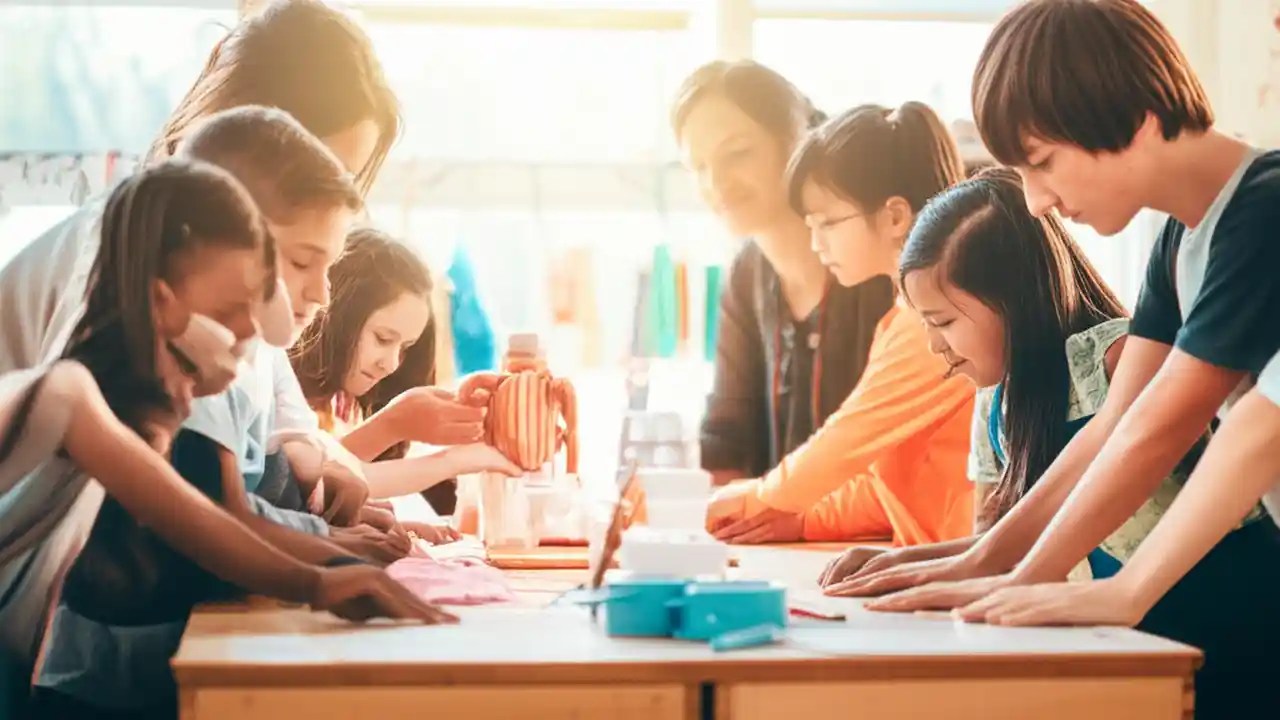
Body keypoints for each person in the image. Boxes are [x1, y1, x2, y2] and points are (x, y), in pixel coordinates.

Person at [841, 3, 1280, 717]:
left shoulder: (1263, 209)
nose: (1038, 203)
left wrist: (1085, 582)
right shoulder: (1181, 238)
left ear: (1135, 118)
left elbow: (1163, 429)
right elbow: (1118, 423)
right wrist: (987, 562)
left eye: (1041, 164)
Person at [2, 160, 451, 719]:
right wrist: (320, 579)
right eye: (232, 311)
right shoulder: (67, 396)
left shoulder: (121, 413)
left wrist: (324, 577)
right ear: (161, 301)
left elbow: (192, 516)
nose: (250, 331)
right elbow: (198, 520)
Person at [819, 169, 1228, 595]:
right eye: (924, 322)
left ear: (1015, 300)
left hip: (1205, 606)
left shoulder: (1117, 358)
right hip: (1107, 628)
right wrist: (898, 559)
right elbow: (996, 549)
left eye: (943, 321)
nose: (933, 344)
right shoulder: (994, 399)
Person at [704, 102, 974, 546]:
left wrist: (748, 499)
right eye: (809, 224)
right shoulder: (902, 318)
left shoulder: (934, 321)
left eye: (827, 222)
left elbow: (842, 445)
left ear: (893, 217)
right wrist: (803, 520)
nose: (815, 243)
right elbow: (878, 482)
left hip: (968, 570)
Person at [671, 60, 896, 486]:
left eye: (737, 154)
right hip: (782, 539)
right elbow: (727, 435)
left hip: (876, 540)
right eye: (698, 167)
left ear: (797, 138)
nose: (716, 182)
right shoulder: (745, 275)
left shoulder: (876, 260)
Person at [290, 227, 518, 520]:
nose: (392, 364)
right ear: (334, 310)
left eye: (405, 347)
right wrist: (394, 425)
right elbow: (310, 481)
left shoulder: (330, 408)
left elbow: (327, 475)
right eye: (383, 339)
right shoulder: (278, 383)